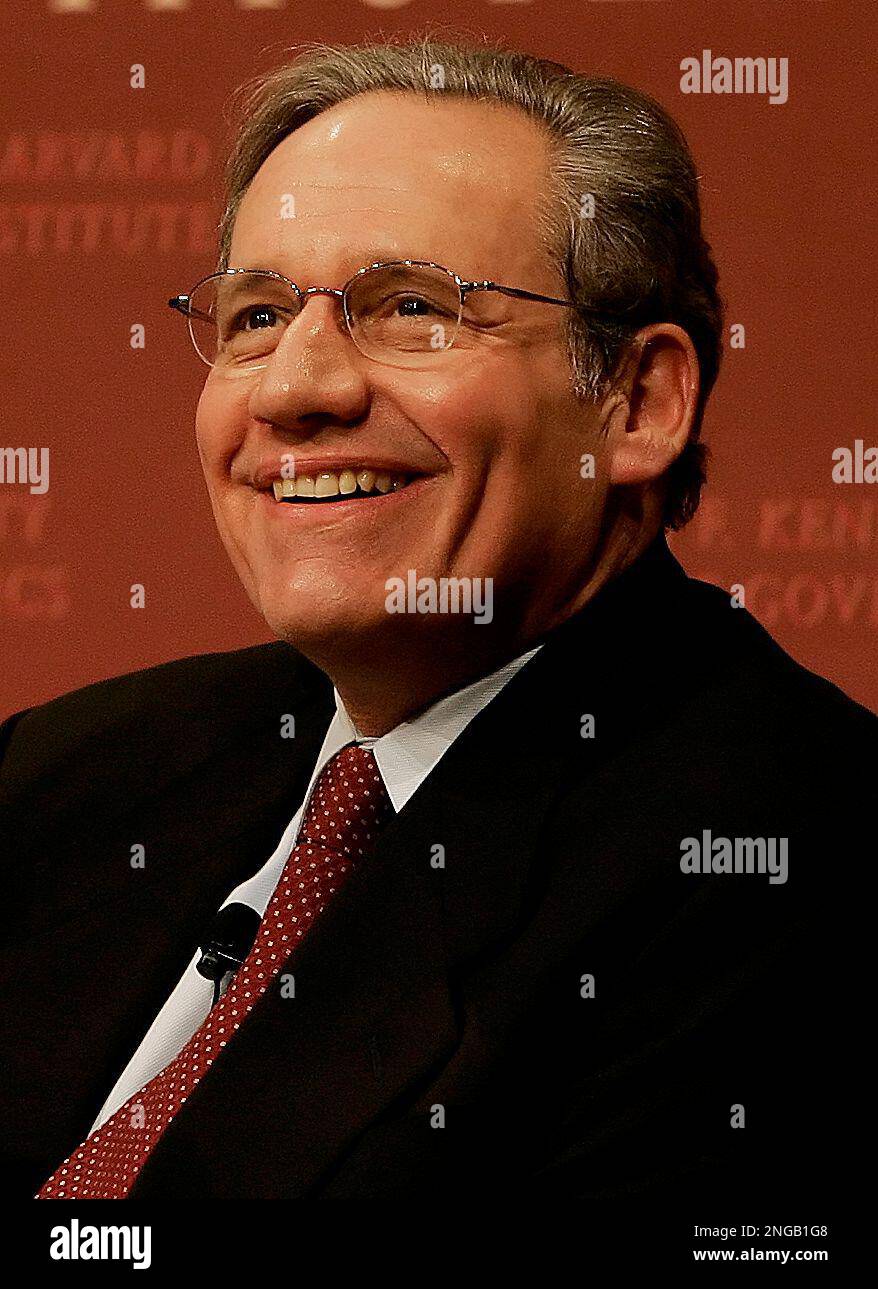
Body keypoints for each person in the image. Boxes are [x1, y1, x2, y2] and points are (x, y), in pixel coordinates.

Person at [1, 35, 871, 1204]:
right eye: (256, 315)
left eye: (408, 306)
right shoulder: (62, 772)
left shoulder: (790, 868)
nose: (297, 387)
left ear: (635, 402)